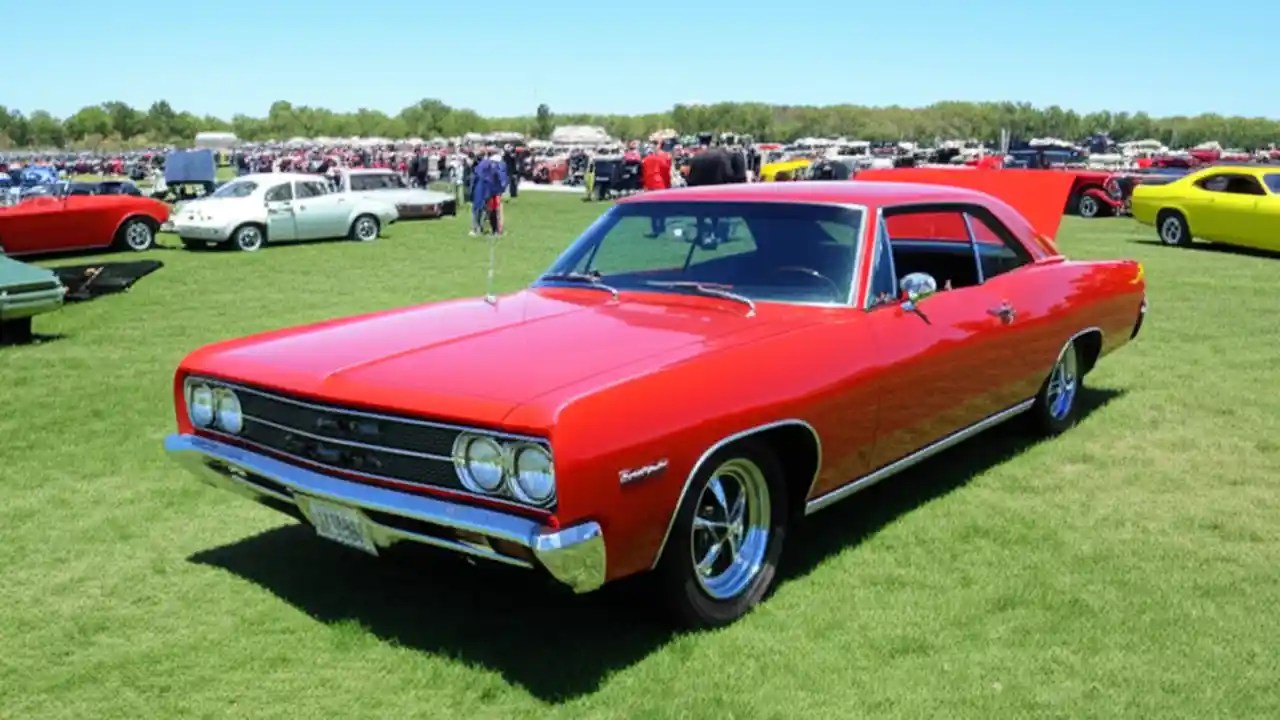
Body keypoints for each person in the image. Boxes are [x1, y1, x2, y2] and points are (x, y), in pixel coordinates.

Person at [641, 144, 673, 235]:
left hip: (651, 185)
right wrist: (667, 184)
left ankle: (655, 228)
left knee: (653, 209)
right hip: (661, 184)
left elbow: (644, 175)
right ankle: (662, 226)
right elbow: (666, 171)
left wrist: (645, 186)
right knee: (662, 207)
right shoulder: (660, 159)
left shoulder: (645, 161)